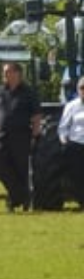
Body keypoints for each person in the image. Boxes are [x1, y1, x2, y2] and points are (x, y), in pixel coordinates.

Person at [0, 62, 43, 213]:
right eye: (4, 72)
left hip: (21, 135)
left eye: (8, 72)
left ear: (18, 73)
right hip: (1, 135)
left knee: (20, 168)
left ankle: (15, 201)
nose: (5, 75)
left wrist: (36, 133)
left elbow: (36, 115)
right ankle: (22, 195)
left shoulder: (29, 92)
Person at [57, 77, 84, 208]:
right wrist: (64, 141)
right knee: (76, 174)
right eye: (82, 88)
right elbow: (63, 128)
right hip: (76, 145)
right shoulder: (71, 106)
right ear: (78, 90)